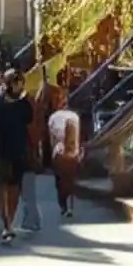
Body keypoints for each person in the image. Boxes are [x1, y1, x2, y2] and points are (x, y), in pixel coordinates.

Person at [0, 69, 35, 244]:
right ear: (8, 84)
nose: (20, 86)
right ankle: (6, 223)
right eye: (16, 82)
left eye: (21, 82)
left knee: (14, 188)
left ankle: (10, 222)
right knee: (3, 186)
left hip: (19, 151)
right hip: (2, 152)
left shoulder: (24, 104)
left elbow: (30, 122)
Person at [46, 82, 81, 218]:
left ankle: (63, 206)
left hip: (59, 153)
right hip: (73, 153)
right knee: (71, 179)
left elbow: (52, 140)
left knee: (59, 180)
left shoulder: (53, 118)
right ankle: (71, 206)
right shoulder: (75, 117)